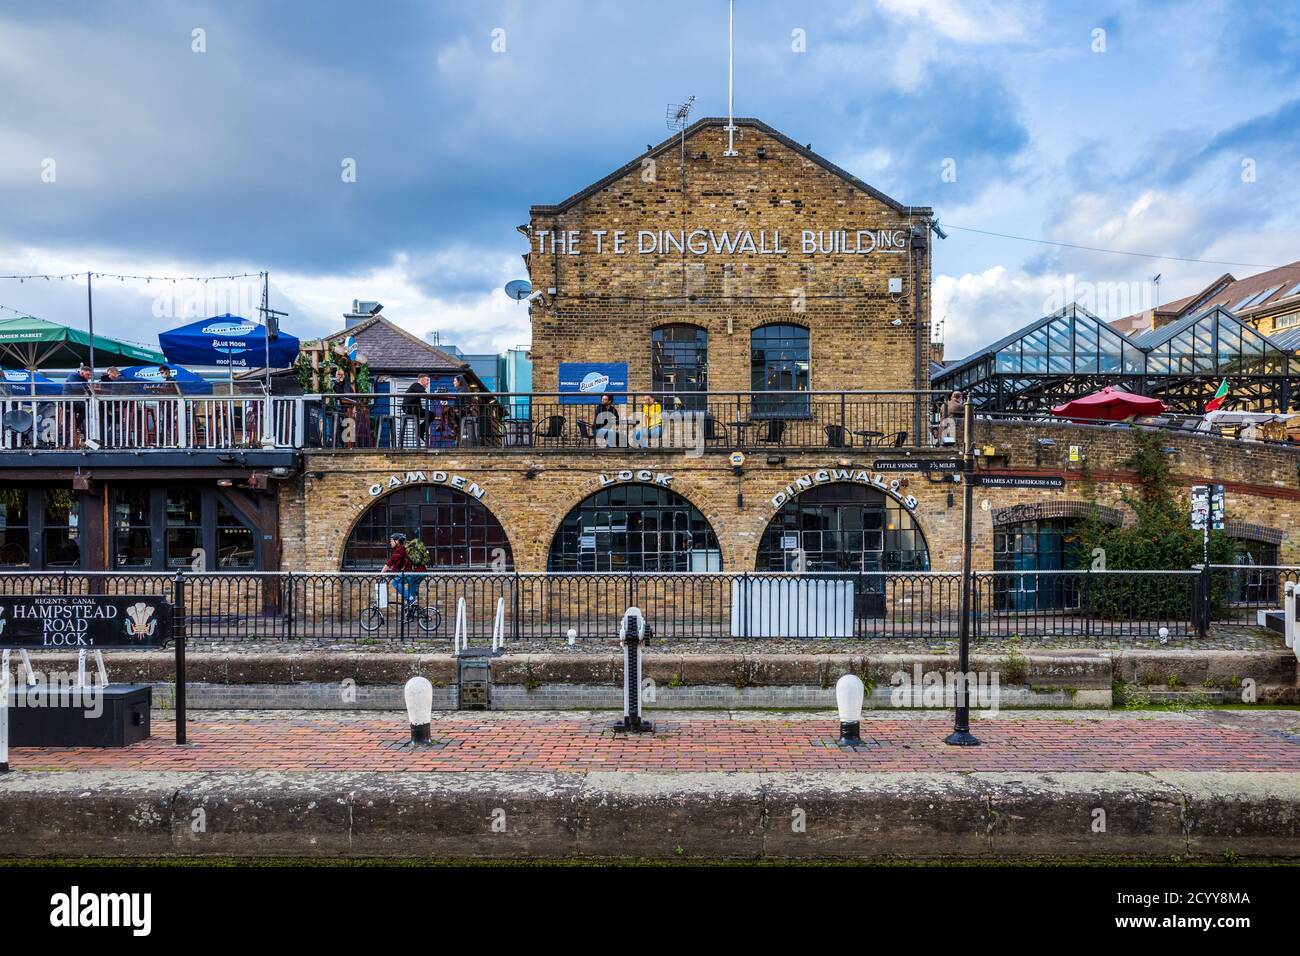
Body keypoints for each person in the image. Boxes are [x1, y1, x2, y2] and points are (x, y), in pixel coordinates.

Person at [383, 532, 416, 606]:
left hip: (412, 573)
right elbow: (398, 566)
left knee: (395, 582)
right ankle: (412, 610)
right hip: (415, 573)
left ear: (397, 541)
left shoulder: (400, 550)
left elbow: (389, 563)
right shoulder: (402, 549)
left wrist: (381, 574)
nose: (390, 542)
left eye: (391, 540)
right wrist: (390, 575)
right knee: (410, 604)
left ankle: (410, 599)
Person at [402, 373, 431, 445]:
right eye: (427, 380)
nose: (428, 382)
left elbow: (424, 394)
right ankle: (420, 431)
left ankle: (420, 430)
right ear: (421, 380)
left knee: (431, 414)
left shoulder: (417, 387)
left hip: (413, 408)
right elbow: (424, 395)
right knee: (431, 414)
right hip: (410, 409)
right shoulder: (416, 385)